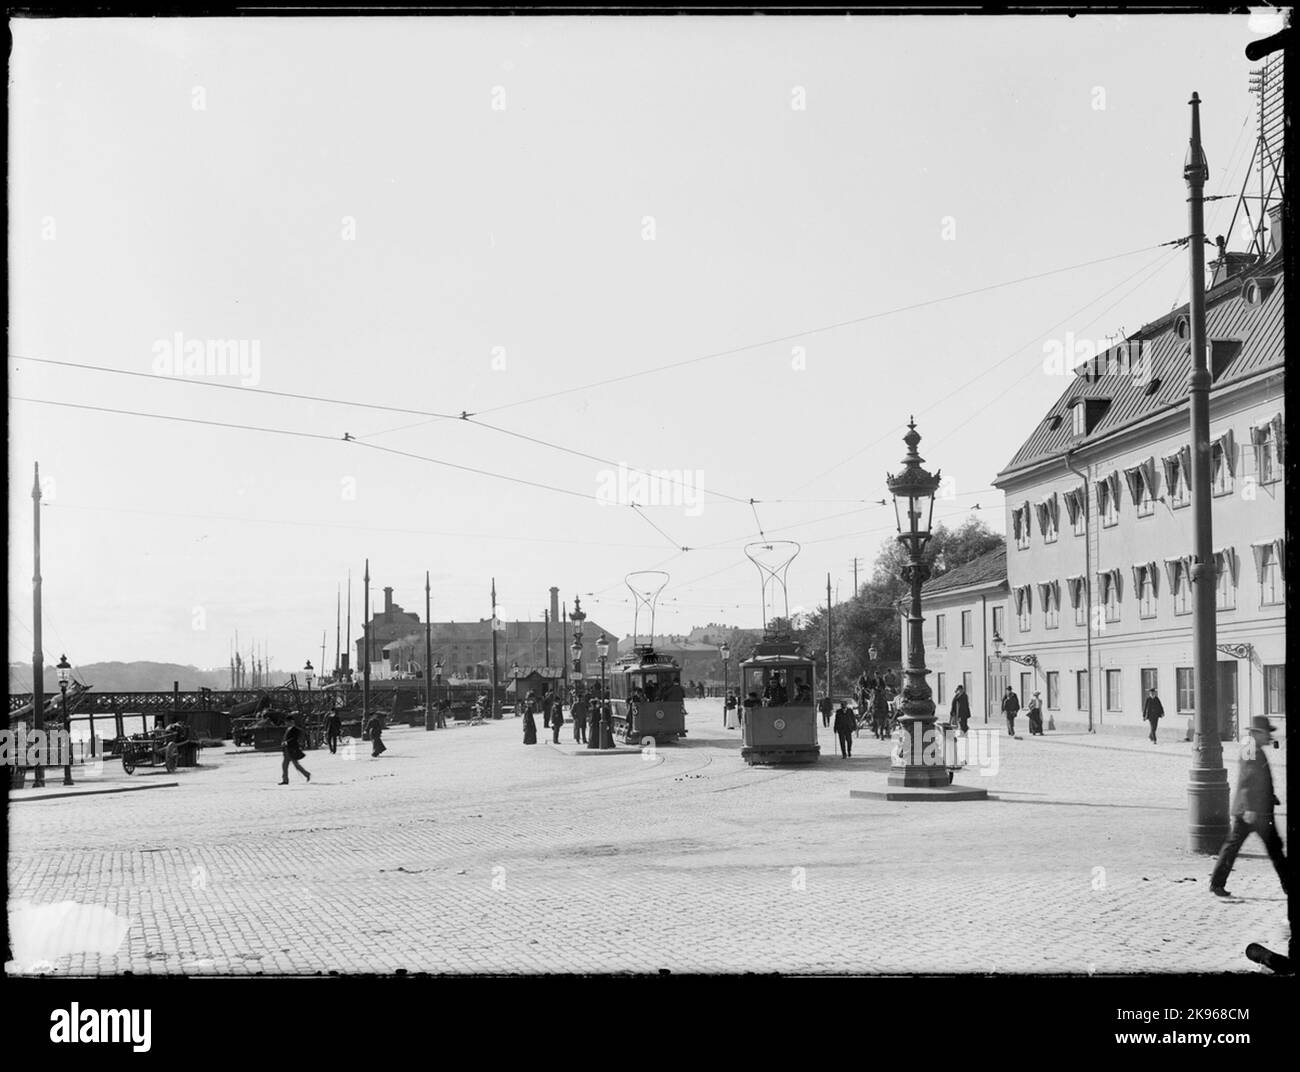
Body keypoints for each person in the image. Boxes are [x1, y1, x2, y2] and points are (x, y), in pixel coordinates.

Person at [1210, 716, 1287, 898]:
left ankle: (1216, 883)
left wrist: (1271, 796)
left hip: (1259, 810)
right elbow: (1248, 778)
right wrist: (1250, 807)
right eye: (1267, 733)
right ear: (1258, 733)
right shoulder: (1249, 748)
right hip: (1251, 811)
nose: (1269, 736)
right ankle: (1216, 883)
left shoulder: (1253, 747)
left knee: (1272, 849)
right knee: (1235, 847)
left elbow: (1259, 779)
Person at [280, 714, 310, 784]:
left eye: (287, 722)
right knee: (284, 765)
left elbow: (293, 739)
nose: (286, 723)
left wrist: (287, 742)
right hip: (287, 750)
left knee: (296, 765)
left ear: (291, 721)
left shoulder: (295, 729)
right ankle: (285, 780)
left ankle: (307, 774)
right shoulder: (288, 729)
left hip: (292, 750)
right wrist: (283, 742)